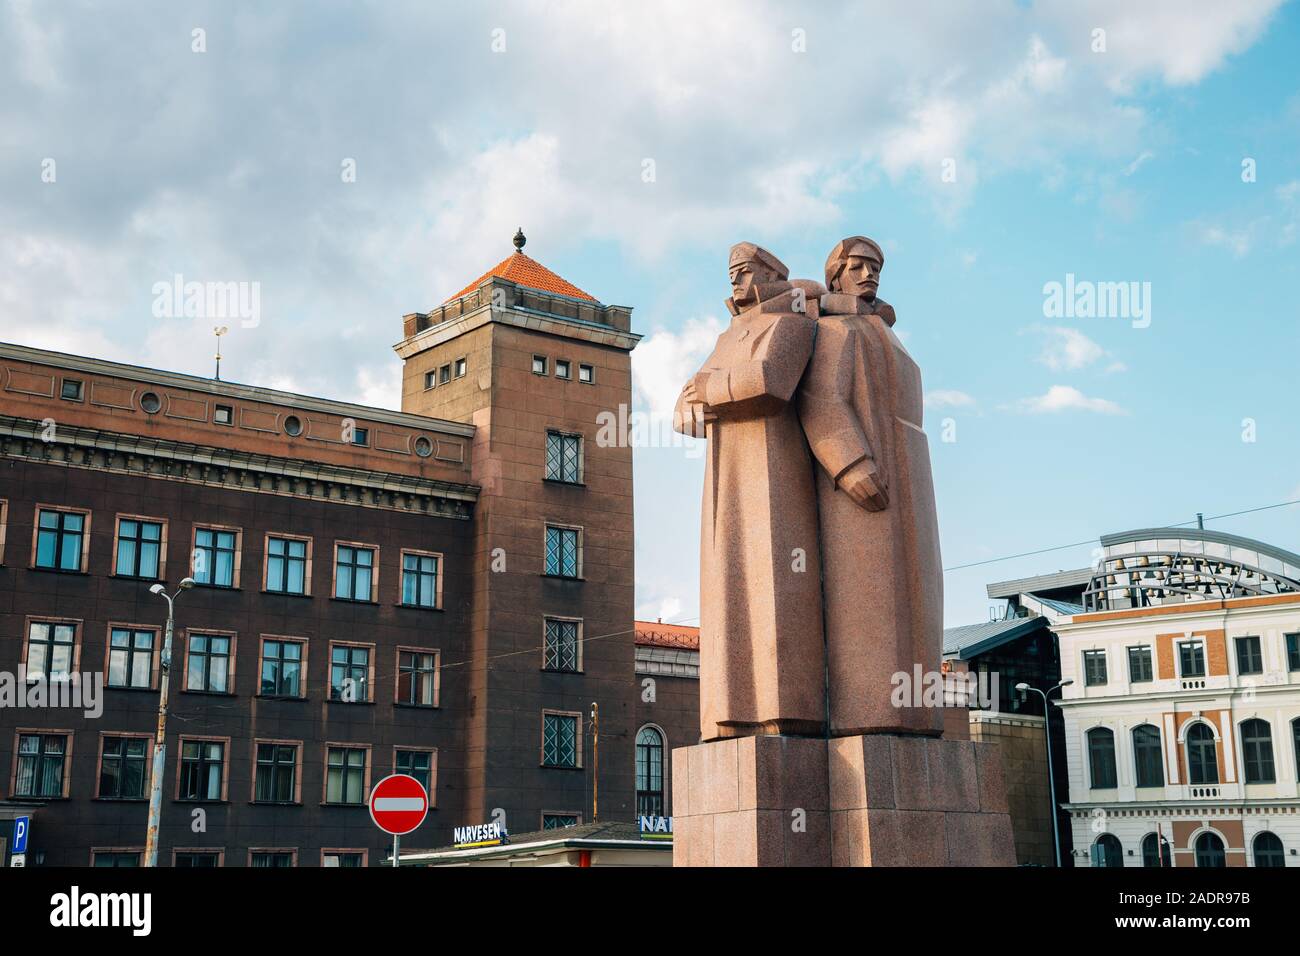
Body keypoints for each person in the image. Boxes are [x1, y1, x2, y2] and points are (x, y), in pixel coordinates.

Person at [674, 242, 826, 741]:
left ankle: (780, 709)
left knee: (774, 587)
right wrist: (695, 398)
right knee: (728, 589)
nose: (735, 282)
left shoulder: (792, 322)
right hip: (725, 477)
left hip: (774, 472)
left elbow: (771, 380)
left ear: (770, 274)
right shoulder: (727, 336)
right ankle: (731, 714)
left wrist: (709, 391)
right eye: (731, 274)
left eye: (743, 272)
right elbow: (686, 405)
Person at [797, 235, 944, 736]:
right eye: (857, 266)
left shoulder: (885, 331)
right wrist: (850, 463)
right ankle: (871, 718)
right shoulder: (836, 330)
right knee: (871, 603)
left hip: (909, 478)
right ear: (835, 275)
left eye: (875, 266)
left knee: (919, 597)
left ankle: (918, 717)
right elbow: (821, 399)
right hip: (864, 484)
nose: (869, 274)